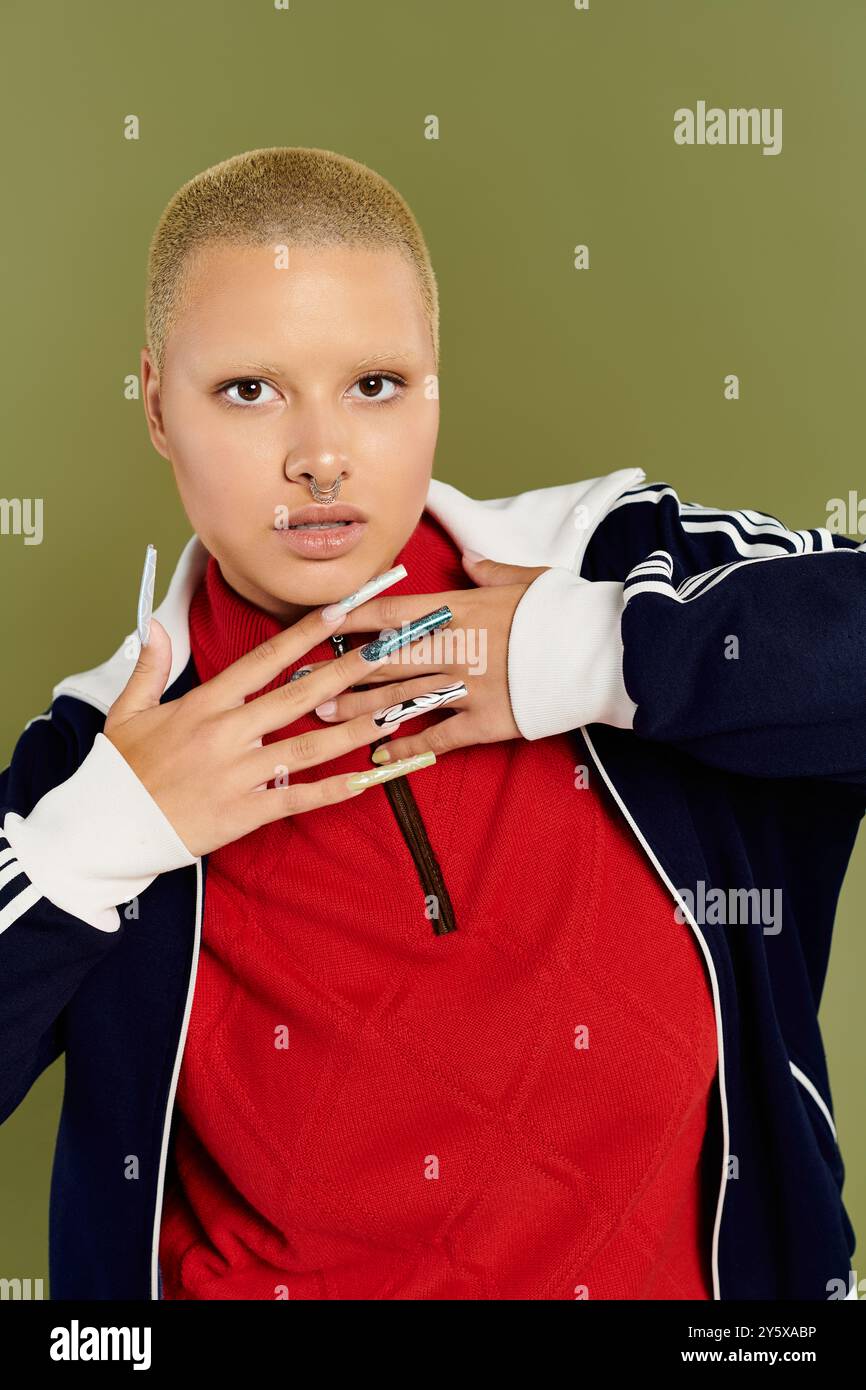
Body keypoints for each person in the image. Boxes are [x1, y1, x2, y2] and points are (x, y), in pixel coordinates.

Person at [0, 146, 861, 1301]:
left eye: (374, 384)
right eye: (248, 390)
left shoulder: (609, 562)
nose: (319, 457)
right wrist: (102, 838)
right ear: (156, 403)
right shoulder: (94, 755)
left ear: (434, 382)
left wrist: (575, 654)